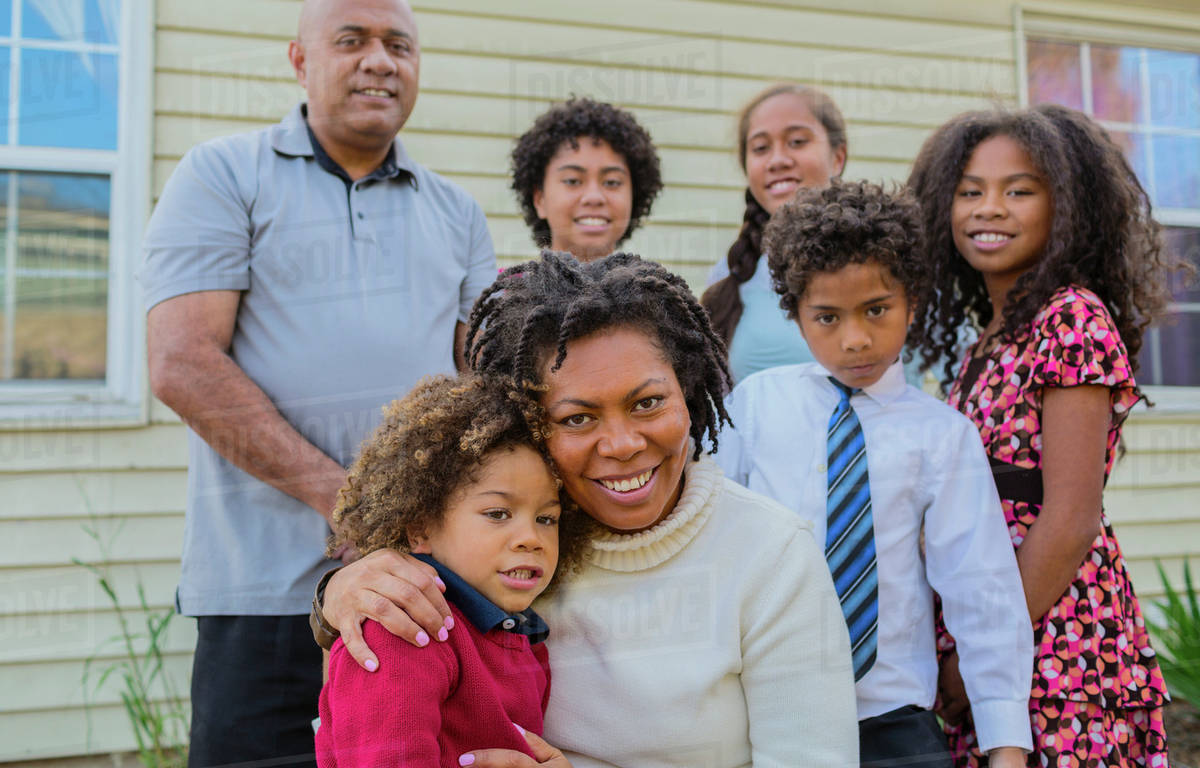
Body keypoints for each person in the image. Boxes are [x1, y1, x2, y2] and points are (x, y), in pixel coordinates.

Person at [311, 251, 860, 767]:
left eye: (648, 403)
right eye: (577, 418)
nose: (621, 444)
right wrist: (336, 596)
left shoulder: (772, 553)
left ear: (689, 394)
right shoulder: (494, 550)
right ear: (526, 424)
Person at [138, 0, 496, 765]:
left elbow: (481, 389)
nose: (380, 61)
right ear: (300, 60)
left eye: (399, 46)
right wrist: (349, 505)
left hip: (419, 594)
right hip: (263, 601)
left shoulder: (458, 214)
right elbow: (181, 361)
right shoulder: (223, 174)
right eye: (352, 41)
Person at [716, 180, 1033, 768]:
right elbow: (710, 541)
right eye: (827, 317)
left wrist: (1006, 744)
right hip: (768, 708)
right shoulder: (755, 407)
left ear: (912, 300)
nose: (855, 338)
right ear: (796, 315)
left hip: (894, 716)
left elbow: (982, 588)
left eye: (876, 310)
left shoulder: (943, 437)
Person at [907, 104, 1177, 767]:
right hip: (995, 631)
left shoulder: (1071, 318)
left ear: (1067, 206)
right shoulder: (987, 339)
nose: (988, 209)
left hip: (1055, 633)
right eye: (970, 191)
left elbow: (1069, 519)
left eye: (1019, 190)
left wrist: (981, 649)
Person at [315, 373, 591, 767]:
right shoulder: (401, 628)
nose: (531, 538)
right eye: (498, 514)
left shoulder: (524, 638)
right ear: (420, 529)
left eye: (546, 519)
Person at [701, 83, 847, 384]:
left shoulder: (887, 260)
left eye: (797, 141)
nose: (778, 160)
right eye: (760, 148)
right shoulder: (729, 275)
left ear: (838, 157)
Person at [510, 96, 662, 262]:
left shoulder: (658, 279)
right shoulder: (506, 280)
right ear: (540, 200)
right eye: (573, 181)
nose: (594, 197)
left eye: (612, 182)